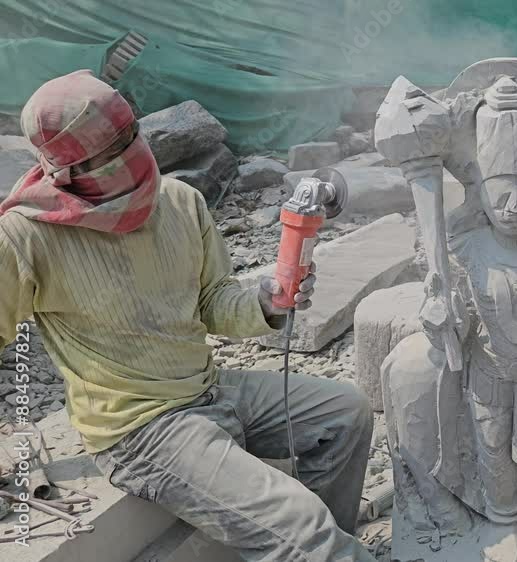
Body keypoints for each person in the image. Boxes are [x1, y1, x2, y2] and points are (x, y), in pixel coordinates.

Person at [0, 70, 375, 561]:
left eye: (132, 132)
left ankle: (323, 548)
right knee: (301, 525)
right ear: (67, 170)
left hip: (206, 387)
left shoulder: (179, 200)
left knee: (346, 414)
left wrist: (266, 302)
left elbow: (212, 300)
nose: (135, 151)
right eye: (114, 148)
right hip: (140, 430)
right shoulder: (25, 237)